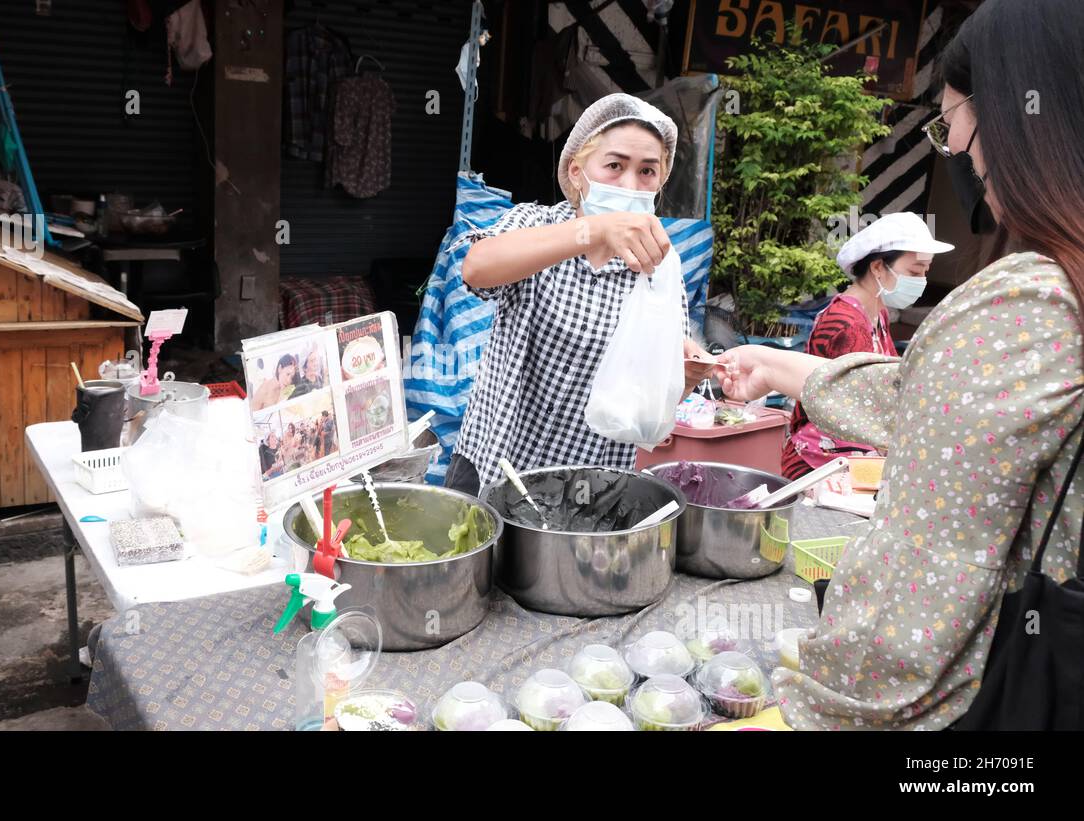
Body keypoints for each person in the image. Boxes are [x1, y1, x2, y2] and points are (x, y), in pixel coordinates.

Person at [715, 0, 1084, 730]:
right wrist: (771, 363)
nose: (963, 160)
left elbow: (924, 579)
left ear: (1009, 118)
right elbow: (927, 397)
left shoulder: (1032, 302)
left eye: (950, 130)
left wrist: (811, 714)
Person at [445, 93, 714, 496]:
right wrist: (597, 230)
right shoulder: (537, 225)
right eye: (614, 165)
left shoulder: (658, 266)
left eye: (647, 171)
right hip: (493, 464)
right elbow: (477, 269)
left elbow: (650, 399)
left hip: (588, 486)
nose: (630, 183)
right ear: (576, 172)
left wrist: (682, 376)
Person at [781, 213, 954, 479]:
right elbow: (855, 406)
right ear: (877, 268)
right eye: (914, 272)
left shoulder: (877, 312)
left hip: (855, 449)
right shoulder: (846, 322)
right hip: (822, 459)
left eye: (924, 272)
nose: (922, 281)